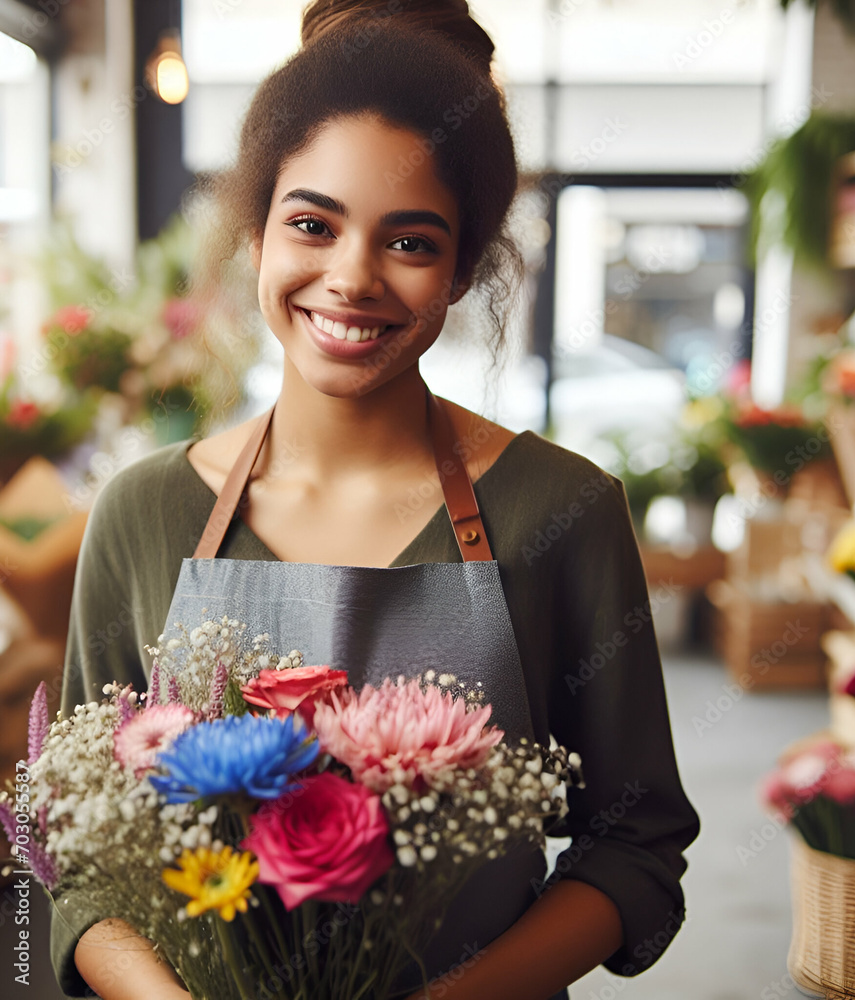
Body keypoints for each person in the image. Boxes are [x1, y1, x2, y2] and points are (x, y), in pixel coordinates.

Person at [50, 2, 700, 998]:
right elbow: (76, 855)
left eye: (410, 242)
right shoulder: (142, 511)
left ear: (464, 267)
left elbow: (636, 847)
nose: (350, 280)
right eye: (311, 224)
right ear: (255, 232)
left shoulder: (561, 509)